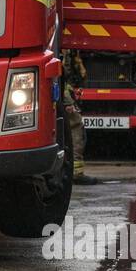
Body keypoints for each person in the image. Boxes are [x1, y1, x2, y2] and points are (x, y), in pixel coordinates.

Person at [61, 49, 97, 185]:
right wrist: (68, 102)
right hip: (64, 98)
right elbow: (60, 78)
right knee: (75, 128)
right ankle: (76, 173)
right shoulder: (61, 51)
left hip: (63, 96)